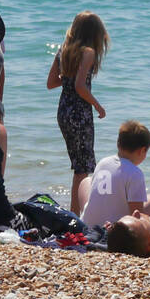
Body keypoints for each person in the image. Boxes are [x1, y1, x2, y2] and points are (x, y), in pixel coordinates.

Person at [47, 11, 108, 214]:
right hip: (79, 112)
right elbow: (81, 87)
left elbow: (51, 83)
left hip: (63, 110)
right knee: (83, 167)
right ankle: (78, 214)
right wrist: (98, 106)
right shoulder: (88, 52)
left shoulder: (63, 50)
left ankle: (75, 211)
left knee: (79, 165)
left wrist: (68, 77)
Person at [80, 120, 150, 229]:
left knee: (85, 182)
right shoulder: (135, 173)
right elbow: (136, 215)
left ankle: (84, 216)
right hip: (115, 231)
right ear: (142, 150)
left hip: (87, 227)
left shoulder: (103, 162)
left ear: (118, 144)